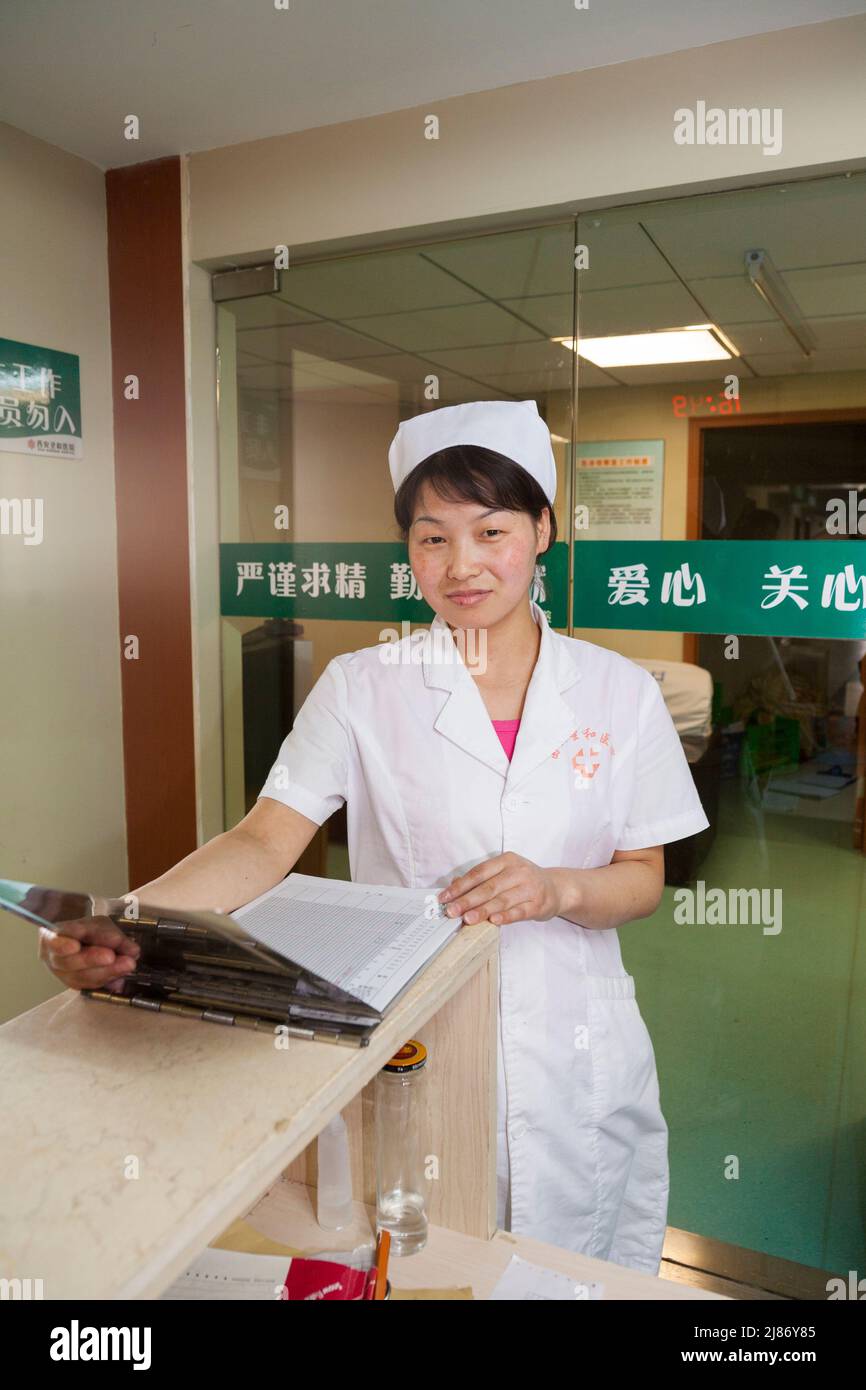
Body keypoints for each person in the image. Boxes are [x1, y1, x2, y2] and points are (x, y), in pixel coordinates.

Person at [39, 399, 708, 1274]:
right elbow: (261, 841)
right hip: (411, 1034)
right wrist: (129, 920)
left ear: (543, 529)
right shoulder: (362, 687)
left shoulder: (622, 693)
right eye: (432, 538)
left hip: (575, 1039)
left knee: (565, 1274)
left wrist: (559, 890)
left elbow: (643, 875)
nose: (462, 564)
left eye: (491, 531)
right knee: (420, 1264)